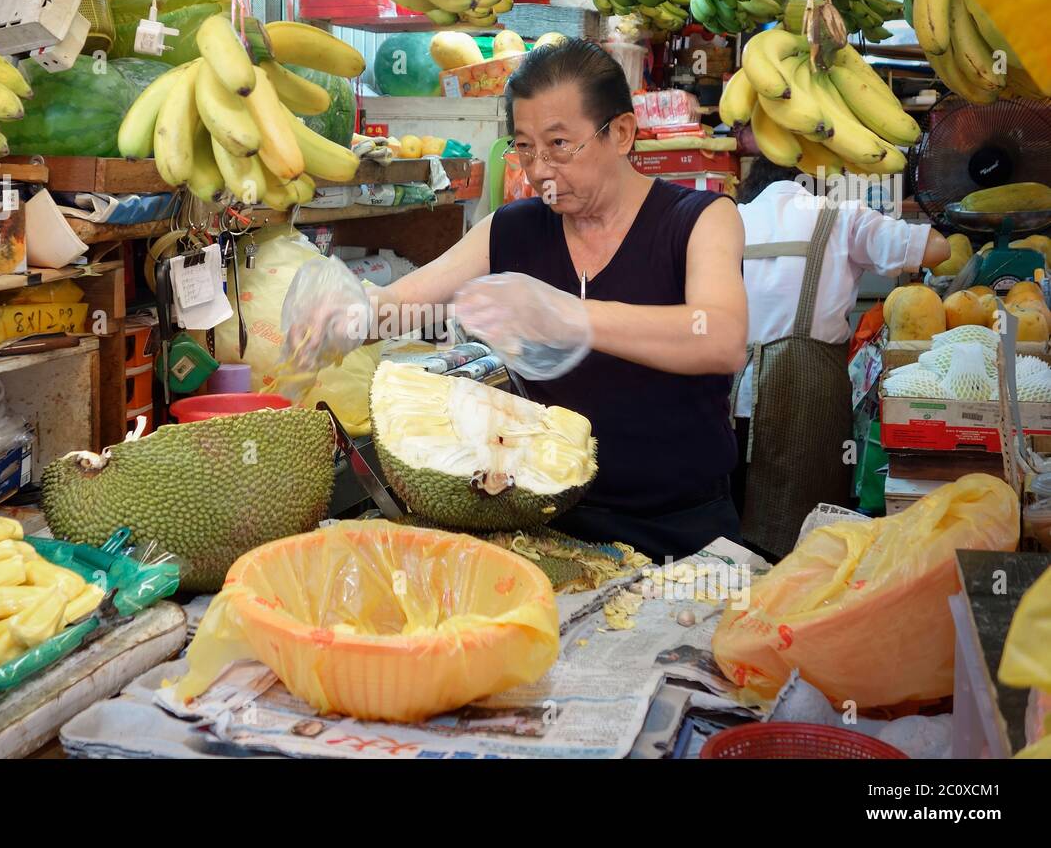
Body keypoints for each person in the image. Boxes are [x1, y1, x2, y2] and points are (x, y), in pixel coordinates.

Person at [280, 39, 748, 561]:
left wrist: (567, 315)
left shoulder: (699, 220)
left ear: (620, 132)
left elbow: (722, 337)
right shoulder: (514, 229)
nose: (540, 170)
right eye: (524, 147)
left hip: (684, 532)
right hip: (548, 524)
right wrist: (343, 315)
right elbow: (398, 305)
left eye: (559, 144)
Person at [729, 157, 950, 559]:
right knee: (806, 537)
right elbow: (938, 248)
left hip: (730, 400)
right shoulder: (843, 216)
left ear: (753, 183)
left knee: (733, 528)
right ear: (818, 182)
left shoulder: (729, 218)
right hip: (809, 401)